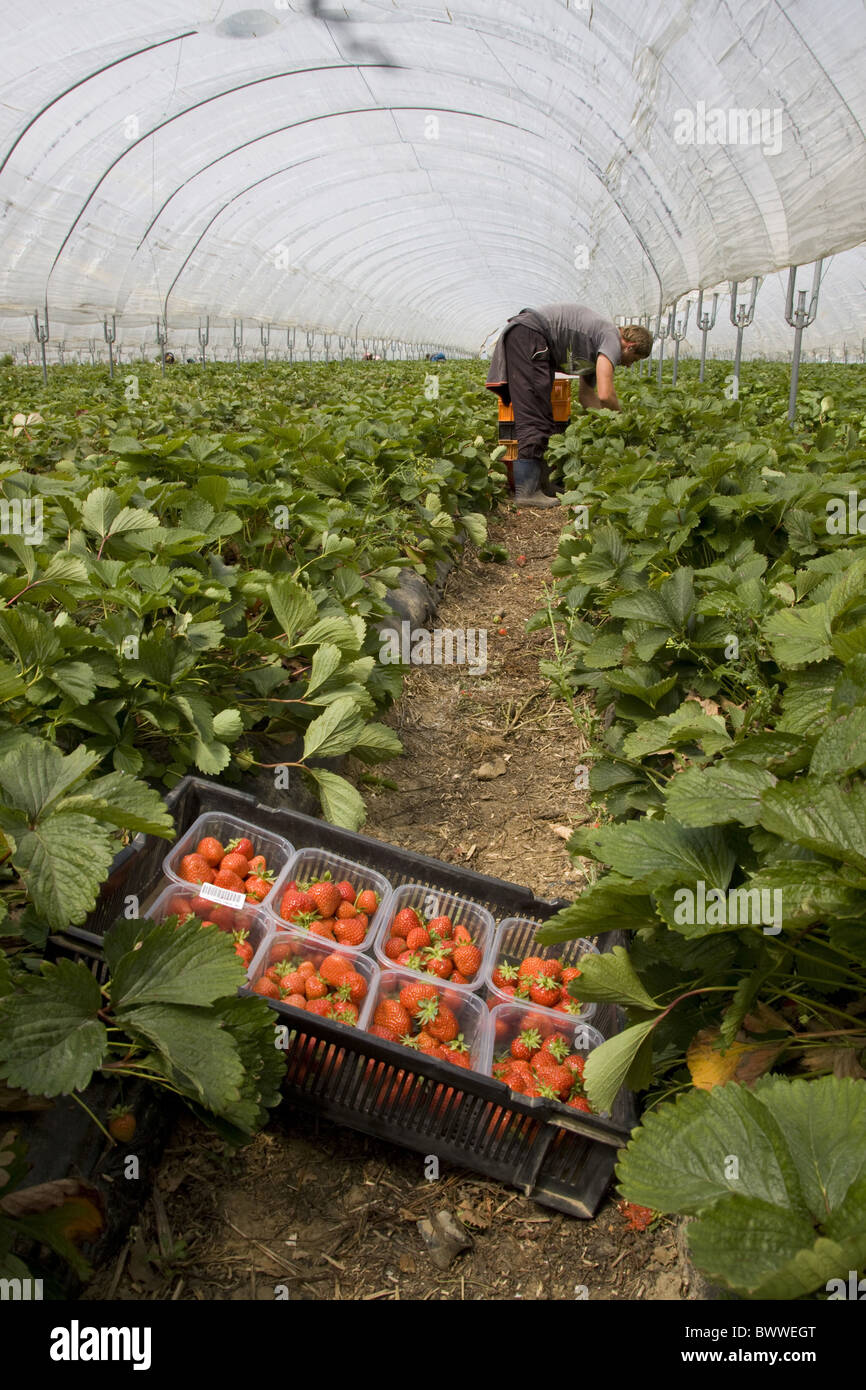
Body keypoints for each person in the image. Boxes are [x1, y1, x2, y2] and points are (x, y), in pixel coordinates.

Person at [486, 305, 653, 507]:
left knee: (545, 415)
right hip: (530, 335)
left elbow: (586, 396)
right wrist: (622, 423)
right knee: (533, 415)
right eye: (633, 360)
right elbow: (606, 394)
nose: (628, 365)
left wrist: (603, 422)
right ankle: (526, 492)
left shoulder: (596, 348)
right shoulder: (611, 337)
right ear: (630, 346)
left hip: (531, 337)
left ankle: (542, 485)